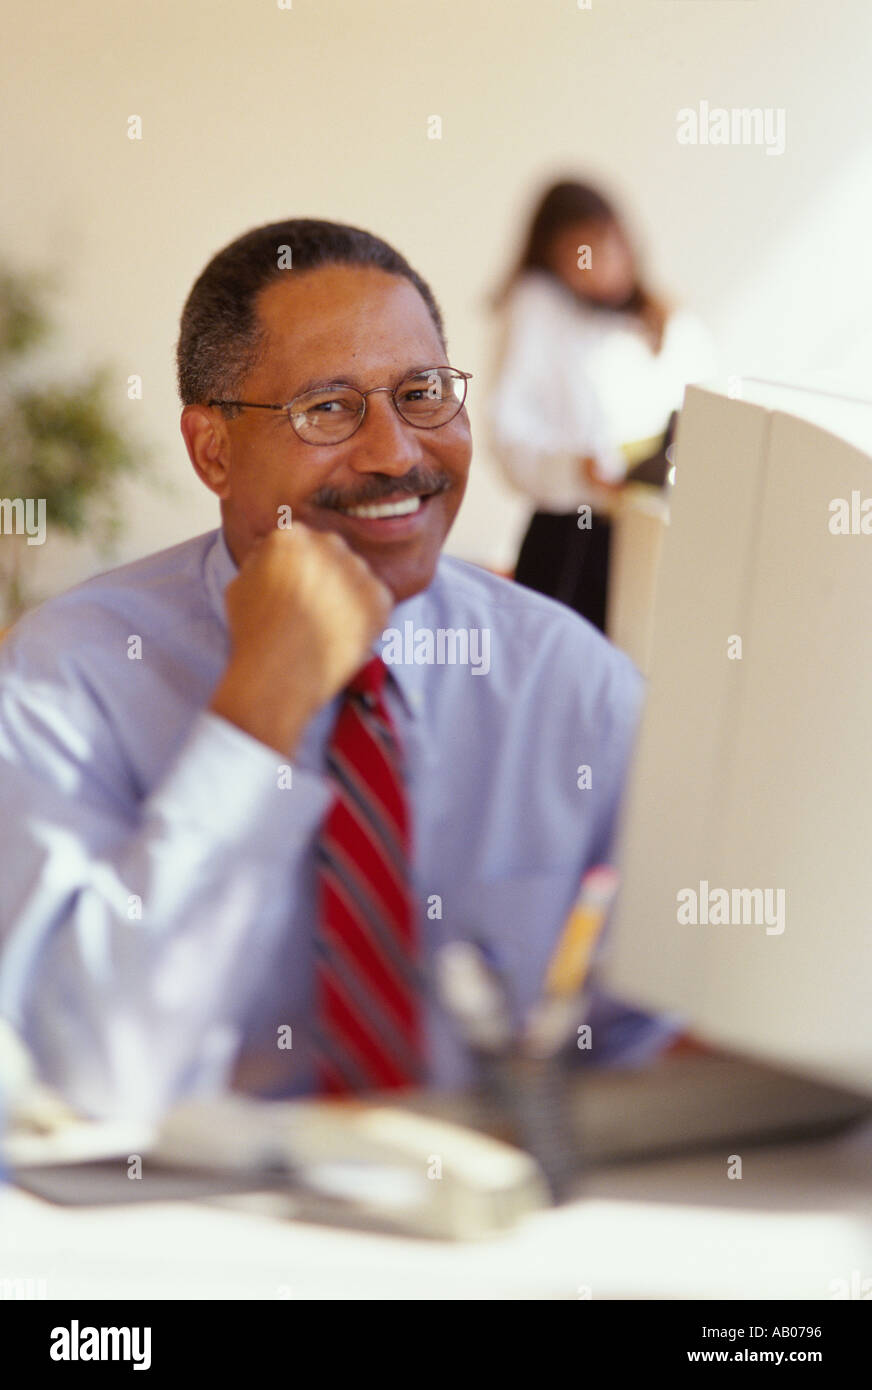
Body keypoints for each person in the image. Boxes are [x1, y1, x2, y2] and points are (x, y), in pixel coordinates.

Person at [0, 219, 678, 1123]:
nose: (397, 453)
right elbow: (79, 1079)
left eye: (424, 393)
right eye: (327, 409)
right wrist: (257, 713)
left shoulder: (565, 679)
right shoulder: (69, 676)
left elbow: (659, 1042)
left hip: (487, 1216)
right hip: (183, 1232)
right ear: (213, 451)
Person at [490, 180, 716, 632]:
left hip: (652, 528)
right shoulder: (537, 309)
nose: (601, 262)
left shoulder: (665, 320)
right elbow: (507, 429)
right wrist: (576, 468)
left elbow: (705, 414)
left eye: (610, 244)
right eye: (582, 251)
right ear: (553, 255)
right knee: (558, 663)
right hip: (572, 531)